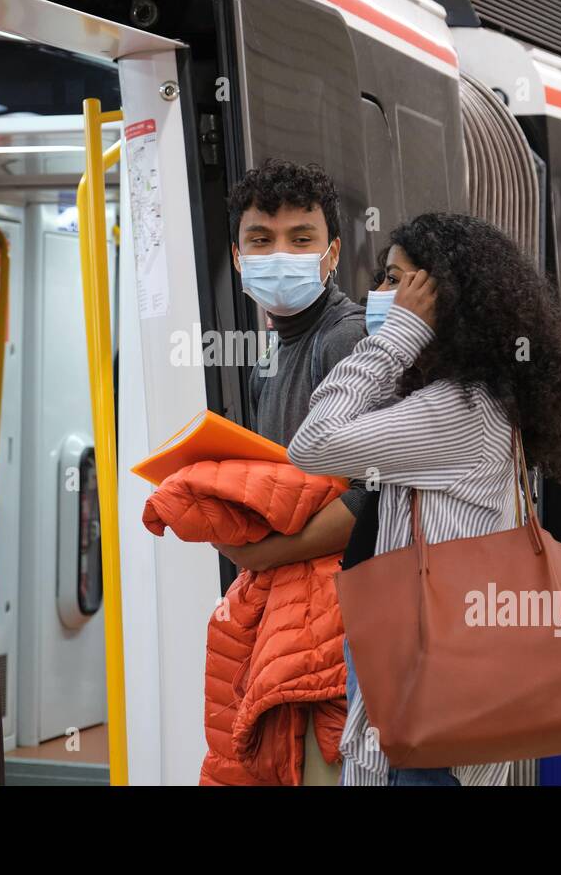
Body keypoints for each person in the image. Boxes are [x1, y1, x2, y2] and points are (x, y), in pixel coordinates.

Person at [288, 212, 561, 786]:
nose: (377, 295)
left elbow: (314, 442)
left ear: (439, 303)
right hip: (441, 708)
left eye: (394, 280)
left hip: (427, 721)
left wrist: (397, 338)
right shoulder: (477, 403)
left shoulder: (455, 412)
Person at [214, 158, 367, 786]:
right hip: (298, 626)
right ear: (237, 256)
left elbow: (375, 496)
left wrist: (264, 555)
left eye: (301, 239)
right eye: (261, 240)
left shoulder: (346, 340)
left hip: (345, 631)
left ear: (331, 254)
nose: (280, 254)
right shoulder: (271, 354)